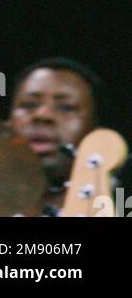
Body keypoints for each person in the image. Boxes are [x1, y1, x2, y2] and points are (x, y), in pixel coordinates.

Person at [6, 57, 111, 214]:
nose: (43, 115)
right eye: (29, 105)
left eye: (66, 108)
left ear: (95, 132)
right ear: (8, 124)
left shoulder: (123, 201)